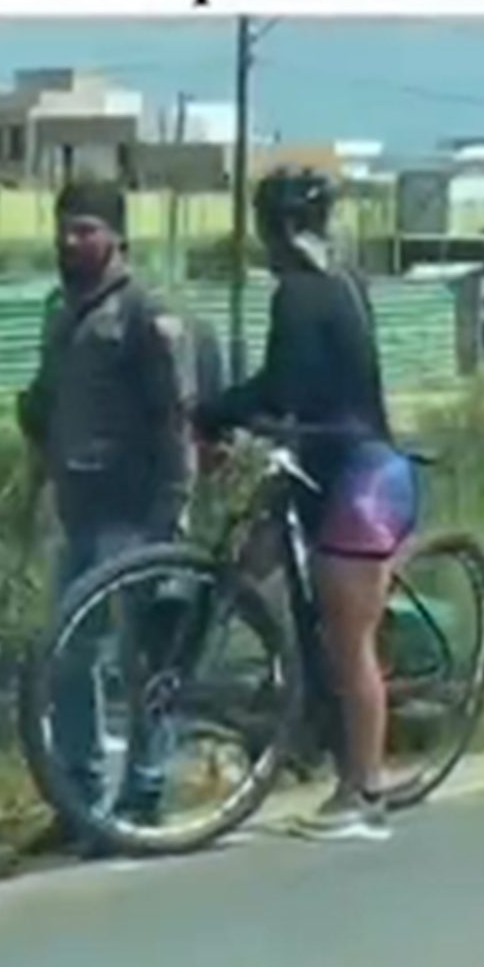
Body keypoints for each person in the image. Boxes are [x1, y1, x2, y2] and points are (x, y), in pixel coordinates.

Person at [194, 165, 419, 844]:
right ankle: (302, 722)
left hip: (357, 476)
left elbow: (280, 386)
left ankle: (364, 793)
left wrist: (212, 411)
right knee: (255, 563)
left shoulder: (297, 291)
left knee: (345, 639)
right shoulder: (346, 280)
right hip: (341, 462)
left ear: (274, 228)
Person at [17, 181, 197, 844]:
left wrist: (173, 512)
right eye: (64, 228)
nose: (71, 242)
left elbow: (176, 421)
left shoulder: (146, 314)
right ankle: (80, 796)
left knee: (143, 656)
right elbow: (43, 406)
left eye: (86, 229)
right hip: (80, 508)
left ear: (117, 237)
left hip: (137, 510)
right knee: (68, 658)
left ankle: (145, 788)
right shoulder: (60, 313)